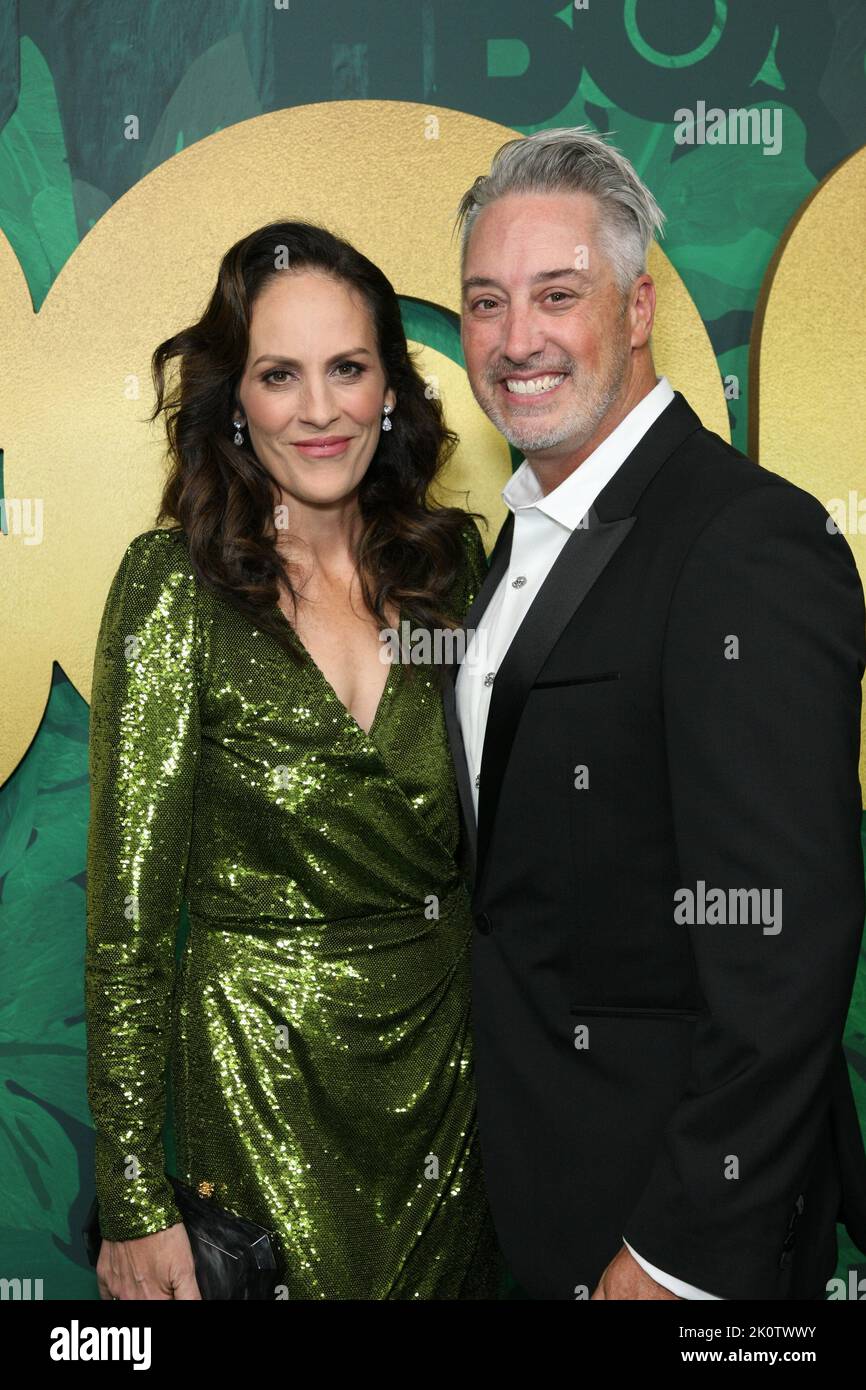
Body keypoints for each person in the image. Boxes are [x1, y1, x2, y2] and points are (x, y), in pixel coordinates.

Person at [441, 126, 866, 1300]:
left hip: (668, 1221)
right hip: (534, 1186)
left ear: (635, 309)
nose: (514, 339)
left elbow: (785, 938)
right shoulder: (525, 531)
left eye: (555, 294)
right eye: (484, 301)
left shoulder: (744, 543)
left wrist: (681, 1253)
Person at [84, 220, 505, 1300]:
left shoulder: (455, 566)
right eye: (280, 374)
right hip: (258, 1086)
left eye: (347, 368)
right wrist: (134, 1199)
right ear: (235, 399)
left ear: (388, 390)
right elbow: (128, 929)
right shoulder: (172, 589)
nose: (319, 411)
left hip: (449, 1090)